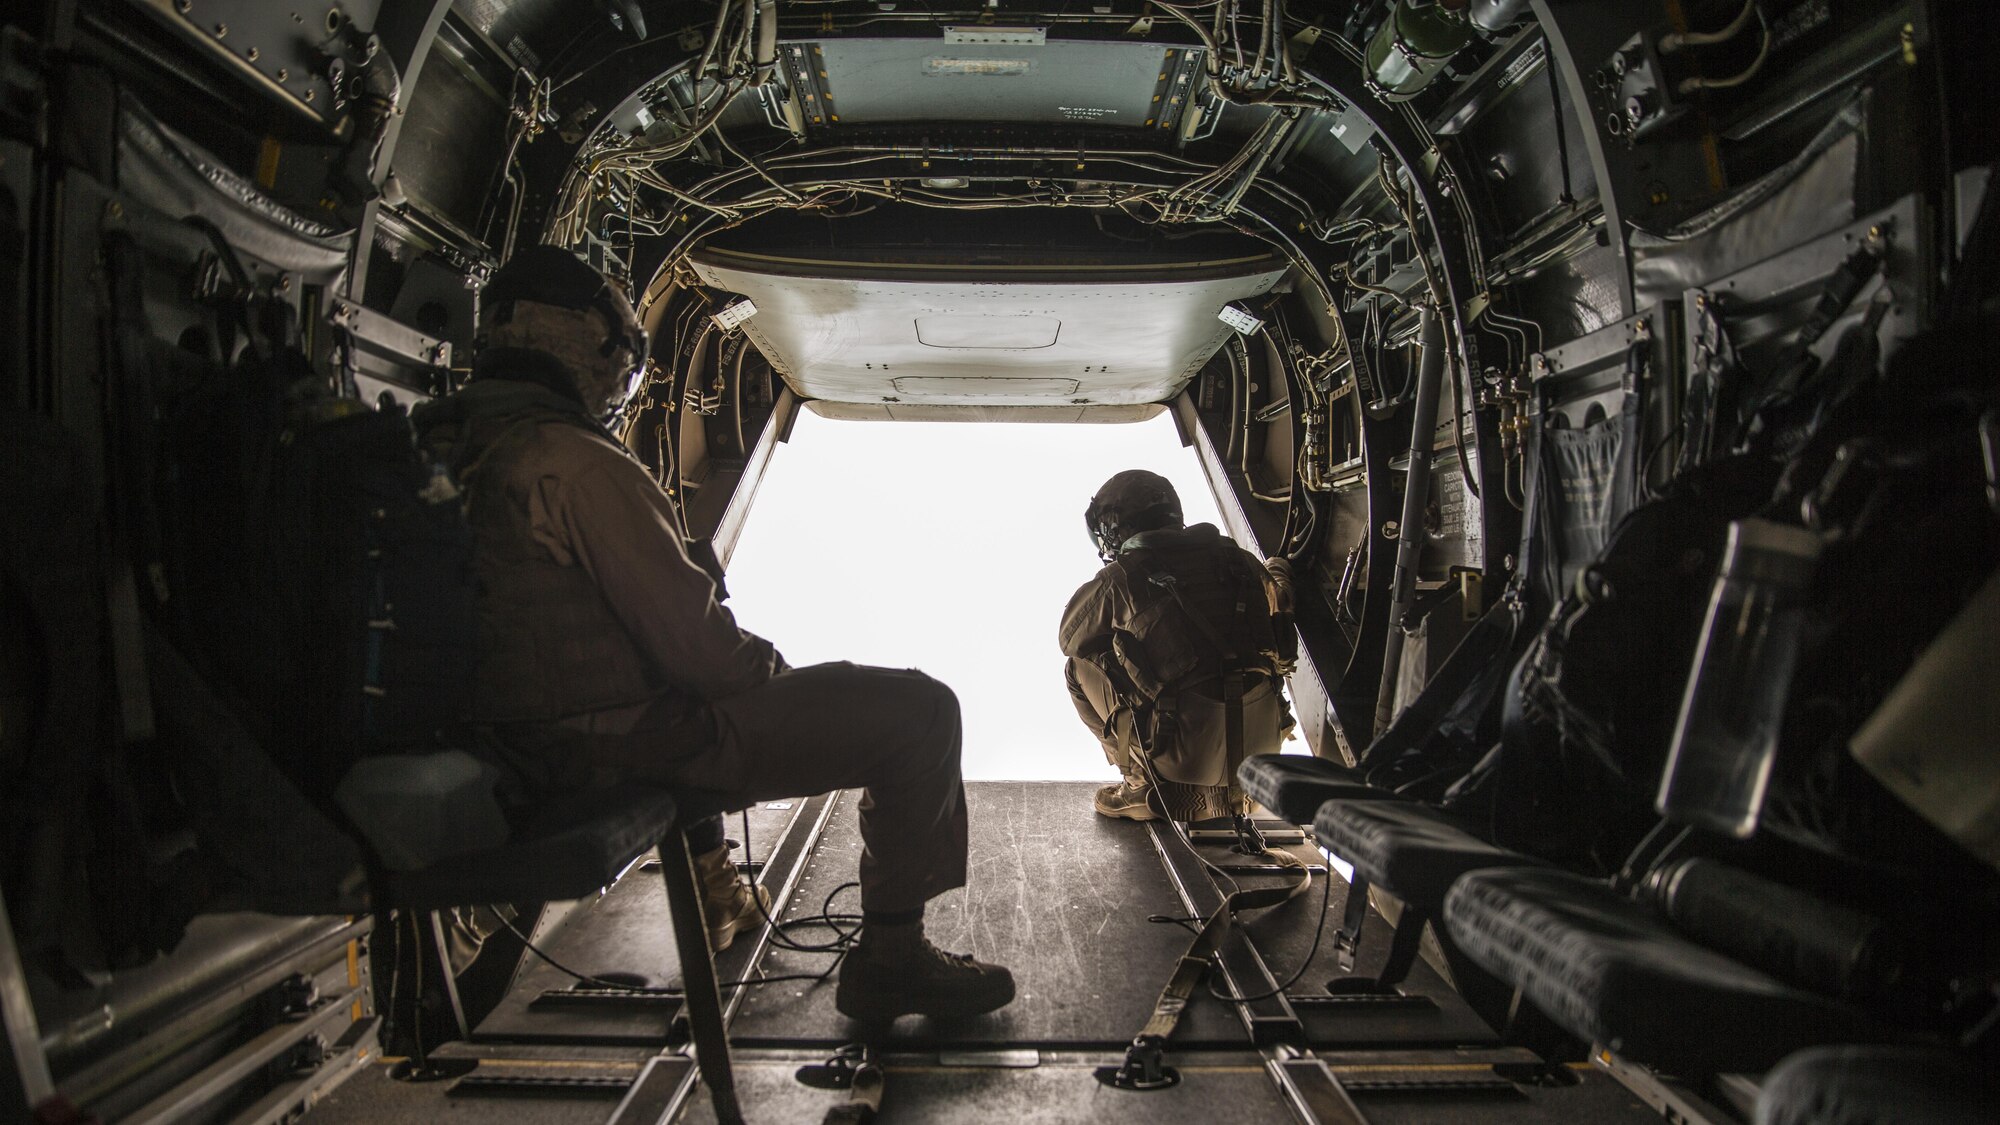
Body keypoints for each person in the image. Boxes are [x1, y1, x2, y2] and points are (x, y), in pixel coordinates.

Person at [412, 245, 1014, 1023]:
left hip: (506, 749)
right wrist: (787, 682)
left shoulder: (435, 447)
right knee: (920, 714)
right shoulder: (574, 462)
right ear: (585, 343)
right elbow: (704, 657)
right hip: (608, 752)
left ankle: (715, 884)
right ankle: (892, 961)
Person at [1059, 470, 1292, 822]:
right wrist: (1277, 567)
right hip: (1261, 751)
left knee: (1077, 667)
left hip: (1181, 750)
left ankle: (1138, 782)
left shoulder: (1122, 576)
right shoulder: (1239, 561)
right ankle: (1231, 788)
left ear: (1113, 527)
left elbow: (1069, 638)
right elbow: (1280, 597)